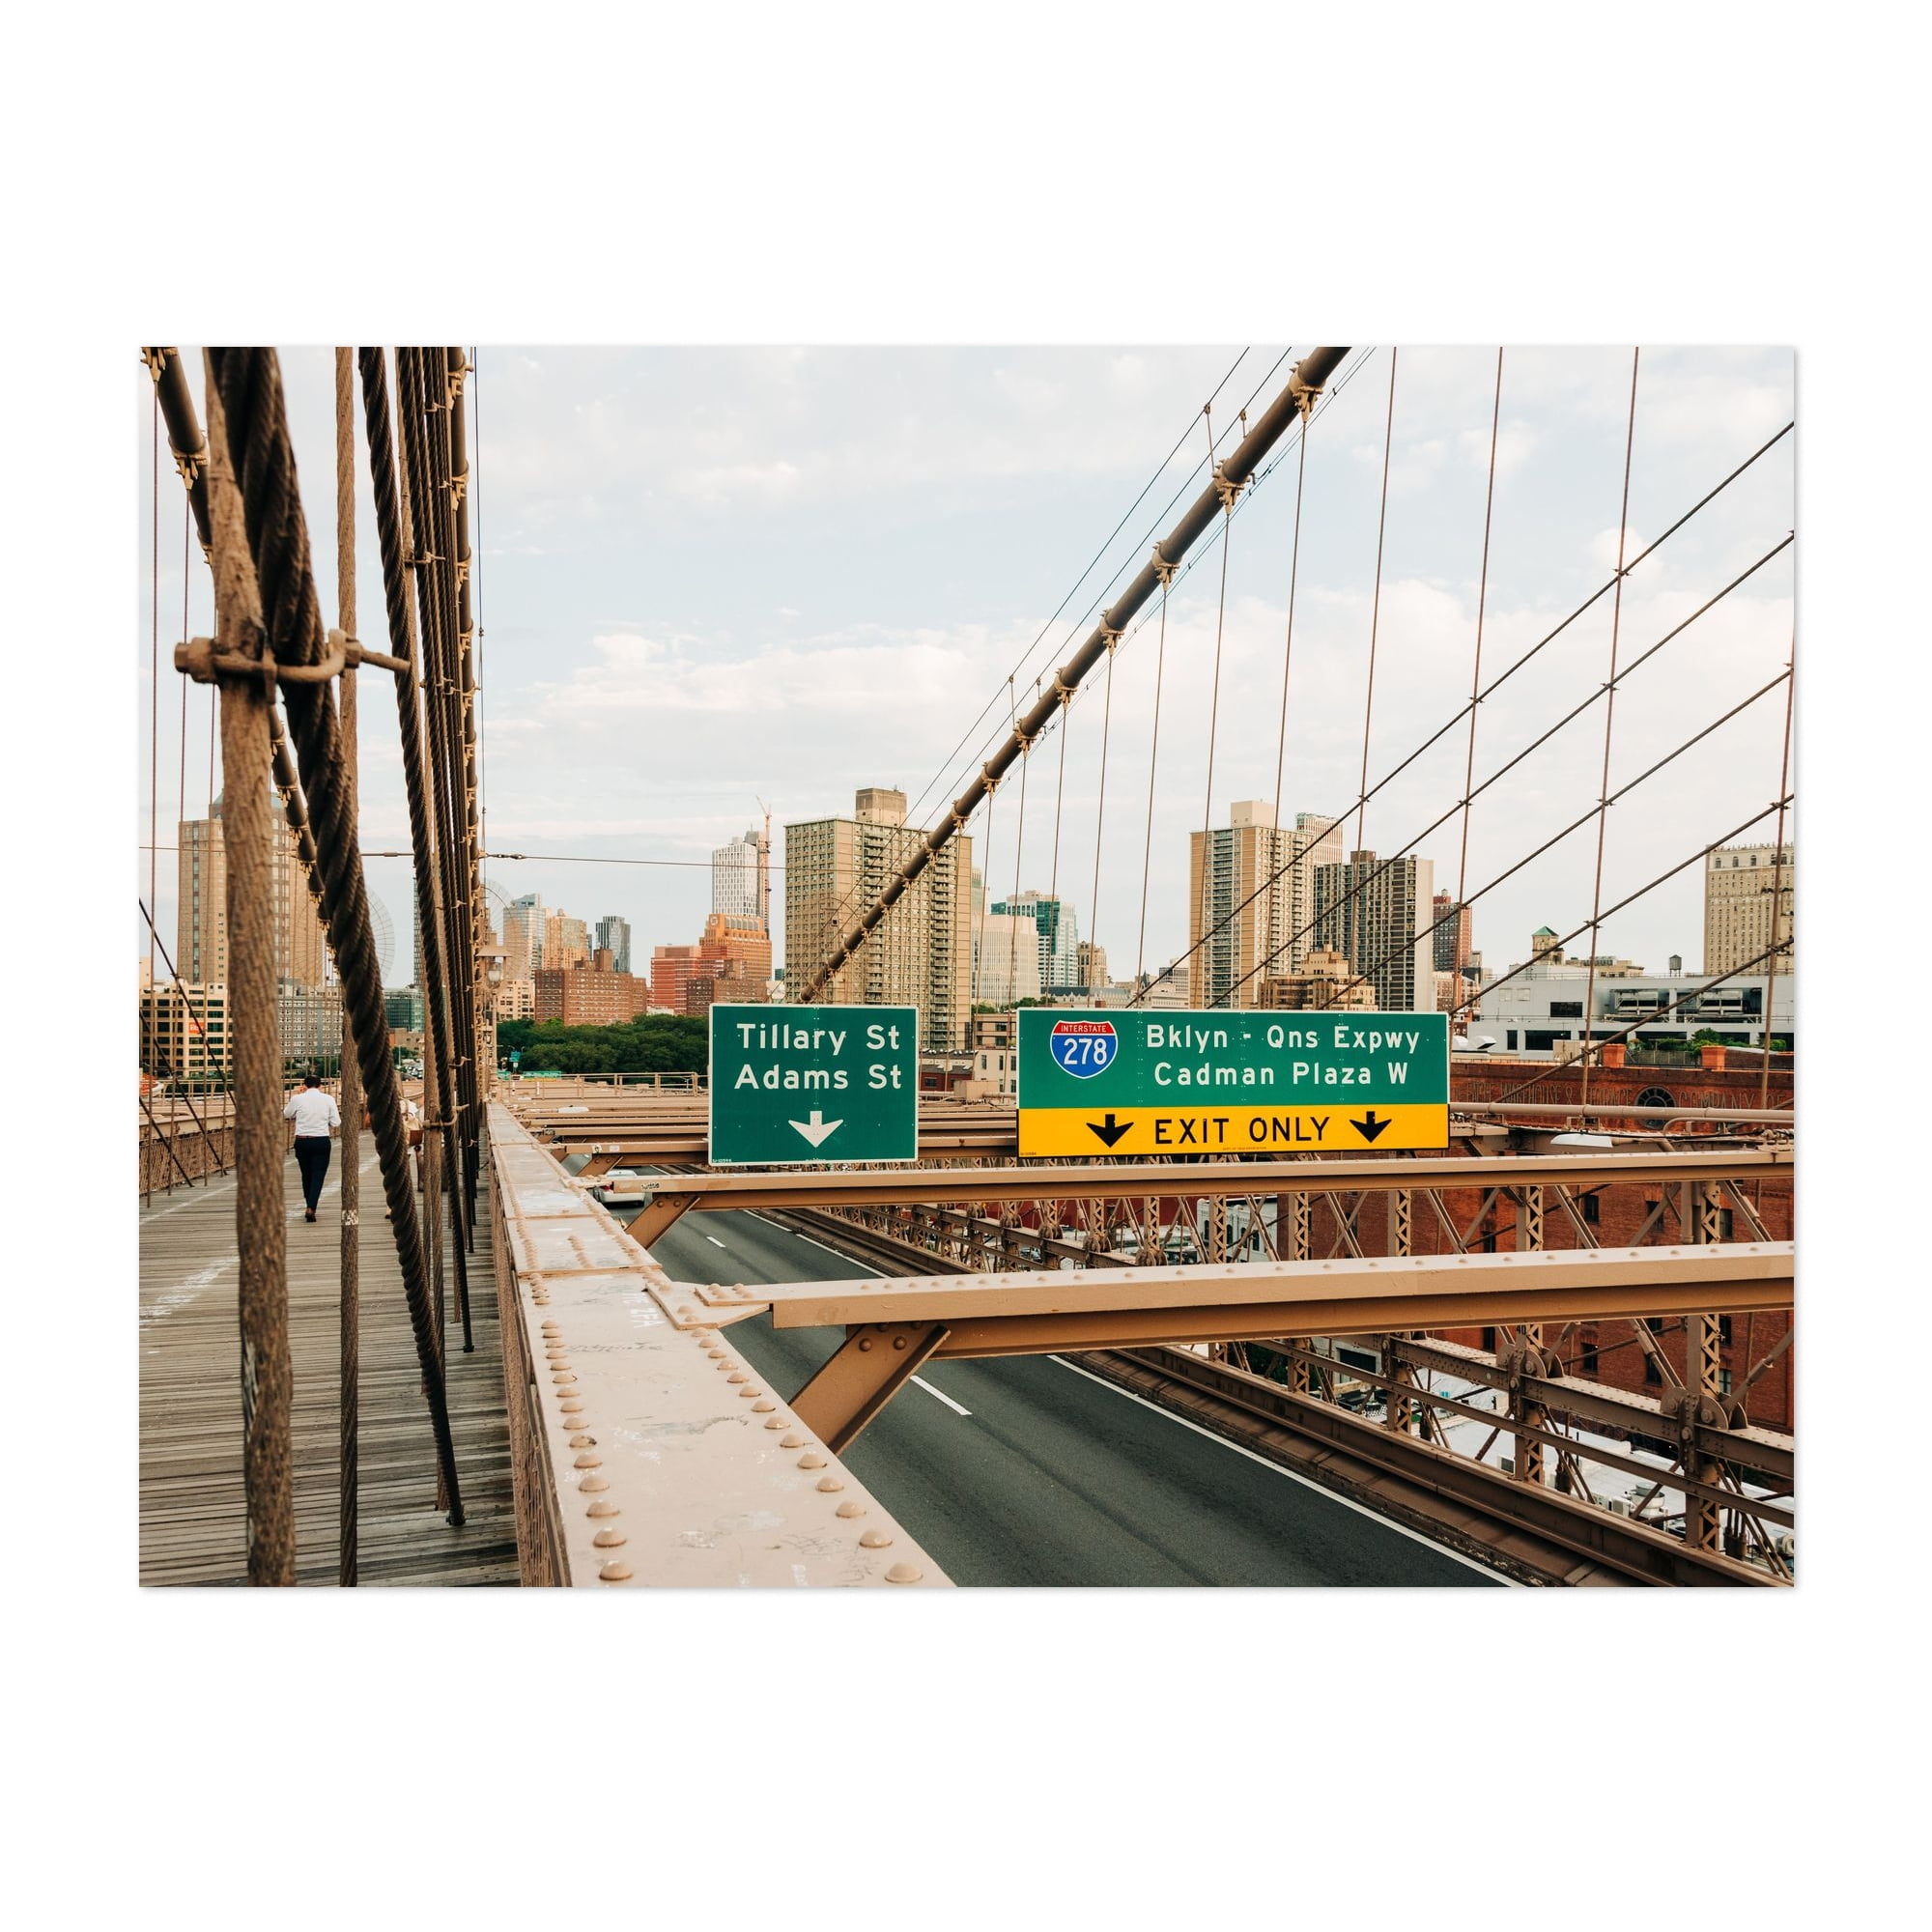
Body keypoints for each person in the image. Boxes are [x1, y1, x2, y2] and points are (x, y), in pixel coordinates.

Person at [283, 1073, 341, 1223]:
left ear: (304, 1085)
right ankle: (311, 1207)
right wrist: (324, 1122)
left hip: (302, 1141)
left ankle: (309, 1204)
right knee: (318, 1175)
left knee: (306, 1175)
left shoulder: (297, 1099)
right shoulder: (328, 1099)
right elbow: (336, 1122)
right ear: (320, 1085)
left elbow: (286, 1113)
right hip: (321, 1141)